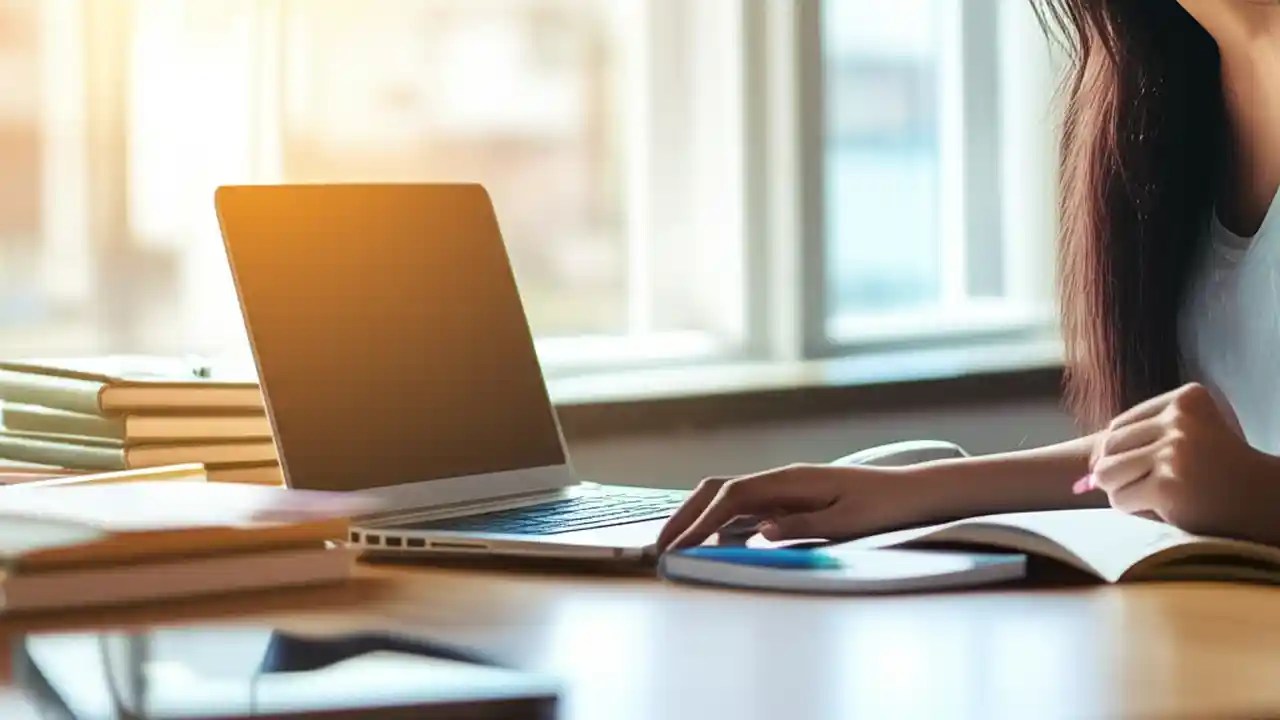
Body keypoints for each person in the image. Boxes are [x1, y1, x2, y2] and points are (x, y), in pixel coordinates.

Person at [657, 0, 1280, 552]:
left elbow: (1226, 480)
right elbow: (1172, 465)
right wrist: (906, 493)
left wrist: (1251, 493)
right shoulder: (1165, 94)